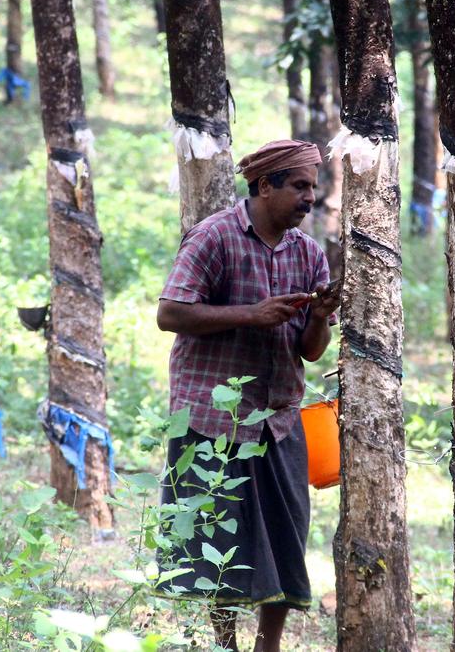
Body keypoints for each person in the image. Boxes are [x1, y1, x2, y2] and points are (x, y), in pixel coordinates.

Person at [154, 139, 341, 652]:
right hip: (213, 420)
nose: (310, 197)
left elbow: (311, 351)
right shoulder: (213, 238)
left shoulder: (308, 253)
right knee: (220, 536)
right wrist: (251, 314)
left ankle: (269, 645)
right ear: (265, 185)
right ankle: (223, 642)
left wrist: (320, 317)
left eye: (313, 187)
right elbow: (170, 313)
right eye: (300, 186)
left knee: (285, 536)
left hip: (279, 421)